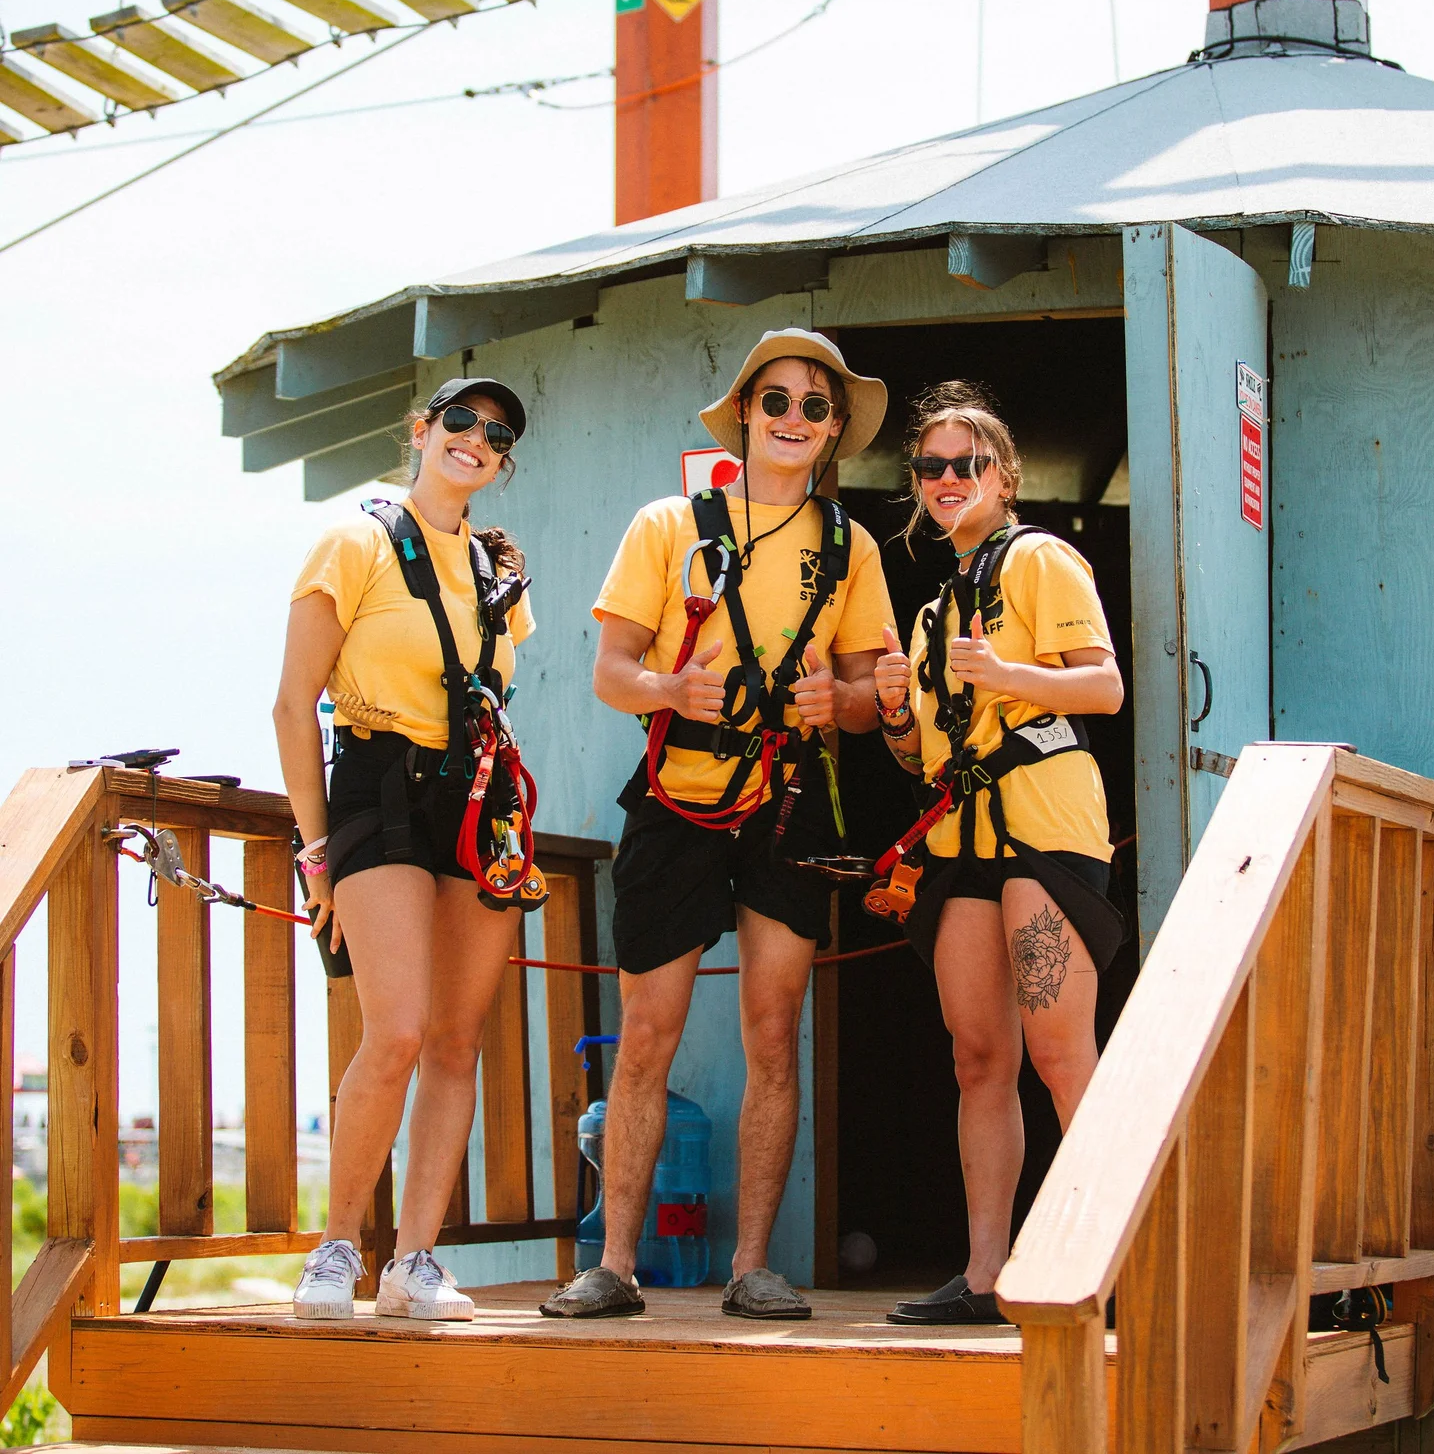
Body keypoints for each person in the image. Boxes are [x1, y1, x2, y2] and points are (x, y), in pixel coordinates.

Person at [541, 328, 895, 1320]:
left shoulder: (850, 546)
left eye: (814, 406)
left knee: (774, 1034)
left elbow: (870, 696)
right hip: (676, 802)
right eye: (775, 399)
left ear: (833, 429)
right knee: (647, 1036)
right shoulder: (668, 526)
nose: (793, 418)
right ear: (744, 412)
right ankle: (613, 1267)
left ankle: (752, 1267)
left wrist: (842, 704)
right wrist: (670, 690)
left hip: (789, 802)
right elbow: (612, 672)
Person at [274, 377, 538, 1321]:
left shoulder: (501, 571)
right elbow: (291, 704)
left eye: (497, 434)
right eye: (460, 421)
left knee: (457, 1041)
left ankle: (415, 1262)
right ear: (422, 431)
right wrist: (316, 856)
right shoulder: (355, 542)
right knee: (394, 1031)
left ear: (502, 463)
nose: (476, 440)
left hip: (476, 803)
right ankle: (338, 1247)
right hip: (378, 787)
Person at [872, 381, 1126, 1326]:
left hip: (1045, 828)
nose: (947, 478)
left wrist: (1007, 673)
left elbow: (1103, 687)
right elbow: (919, 761)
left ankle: (1112, 1263)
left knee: (1060, 1051)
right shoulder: (933, 613)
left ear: (1004, 476)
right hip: (959, 841)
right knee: (979, 1059)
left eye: (967, 463)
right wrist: (896, 712)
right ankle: (986, 1276)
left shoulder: (1041, 559)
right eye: (930, 466)